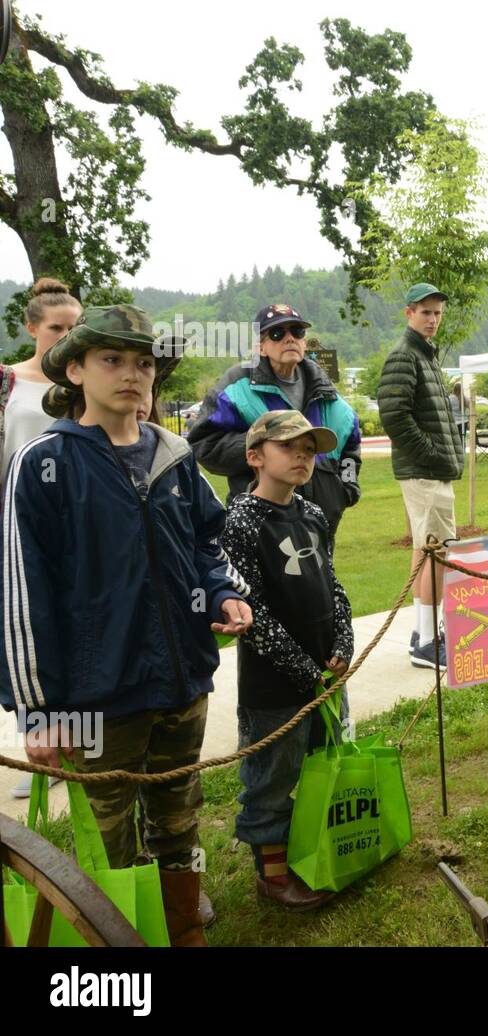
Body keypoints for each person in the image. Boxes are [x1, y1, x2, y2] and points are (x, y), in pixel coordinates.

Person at [0, 304, 253, 947]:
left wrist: (222, 595)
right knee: (106, 839)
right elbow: (23, 595)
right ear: (75, 368)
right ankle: (115, 951)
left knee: (179, 816)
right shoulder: (42, 463)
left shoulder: (175, 456)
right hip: (95, 699)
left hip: (182, 680)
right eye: (111, 360)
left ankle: (181, 927)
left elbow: (209, 542)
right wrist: (38, 709)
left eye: (143, 363)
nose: (131, 375)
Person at [220, 410, 353, 911]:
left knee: (320, 764)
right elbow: (251, 613)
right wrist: (303, 671)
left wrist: (343, 640)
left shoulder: (314, 514)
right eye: (289, 448)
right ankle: (272, 877)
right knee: (273, 777)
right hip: (275, 687)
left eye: (309, 449)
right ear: (255, 457)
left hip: (325, 674)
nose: (302, 456)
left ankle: (313, 851)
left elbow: (331, 583)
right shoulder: (240, 522)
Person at [188, 304, 362, 549]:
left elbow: (351, 446)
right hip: (258, 526)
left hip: (320, 525)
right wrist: (262, 448)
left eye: (297, 332)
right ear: (261, 346)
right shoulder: (238, 386)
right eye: (278, 333)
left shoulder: (328, 394)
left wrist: (346, 490)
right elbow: (203, 443)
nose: (289, 338)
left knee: (319, 586)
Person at [3, 279, 81, 800]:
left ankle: (75, 744)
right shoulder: (7, 383)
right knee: (24, 631)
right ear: (32, 328)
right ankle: (34, 745)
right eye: (56, 328)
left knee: (70, 632)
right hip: (15, 520)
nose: (65, 336)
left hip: (72, 523)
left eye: (75, 328)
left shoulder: (82, 385)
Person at [378, 284, 464, 670]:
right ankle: (428, 642)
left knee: (425, 549)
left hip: (430, 472)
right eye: (426, 312)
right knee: (436, 552)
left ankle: (422, 632)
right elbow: (395, 416)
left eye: (438, 313)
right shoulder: (405, 355)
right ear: (409, 313)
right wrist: (431, 455)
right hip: (425, 472)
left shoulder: (424, 356)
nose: (433, 319)